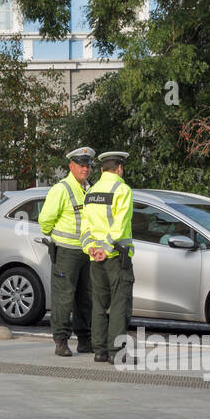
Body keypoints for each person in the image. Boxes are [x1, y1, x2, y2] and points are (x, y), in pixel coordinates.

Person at [38, 147, 97, 357]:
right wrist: (53, 234)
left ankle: (85, 340)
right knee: (64, 299)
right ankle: (61, 341)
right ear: (71, 166)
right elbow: (45, 220)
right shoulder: (61, 189)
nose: (85, 168)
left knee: (85, 299)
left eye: (88, 165)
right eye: (81, 165)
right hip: (66, 253)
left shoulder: (90, 189)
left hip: (86, 252)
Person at [81, 151, 135, 363]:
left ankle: (100, 350)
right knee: (120, 304)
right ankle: (117, 352)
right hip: (116, 257)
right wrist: (105, 247)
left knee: (99, 304)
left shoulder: (91, 192)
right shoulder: (122, 190)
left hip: (95, 257)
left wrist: (91, 248)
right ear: (119, 168)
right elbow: (120, 224)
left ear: (102, 169)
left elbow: (84, 226)